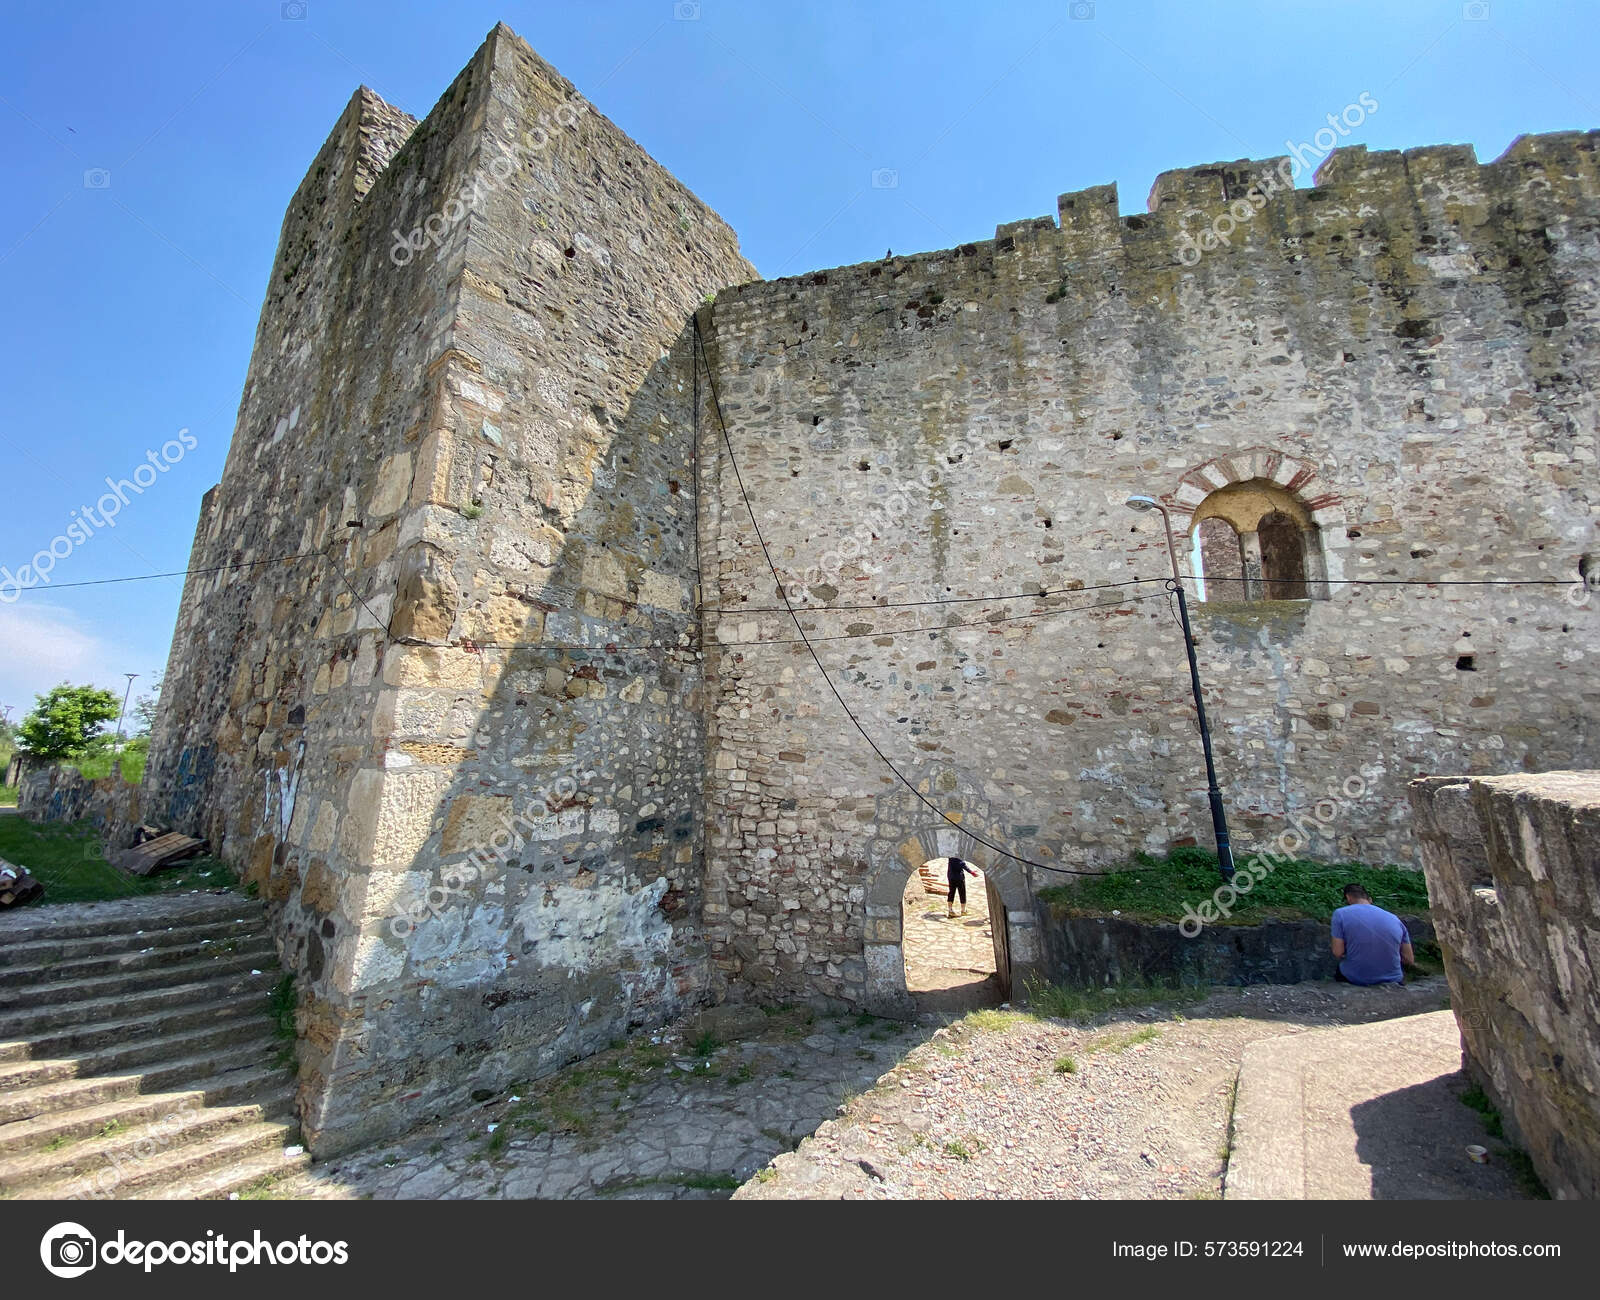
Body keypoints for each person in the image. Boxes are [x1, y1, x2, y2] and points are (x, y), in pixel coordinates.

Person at [1330, 883, 1413, 985]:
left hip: (1355, 977)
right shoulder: (1394, 918)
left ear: (1348, 898)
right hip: (1393, 979)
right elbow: (1409, 959)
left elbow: (1337, 952)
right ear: (1370, 900)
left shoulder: (1340, 914)